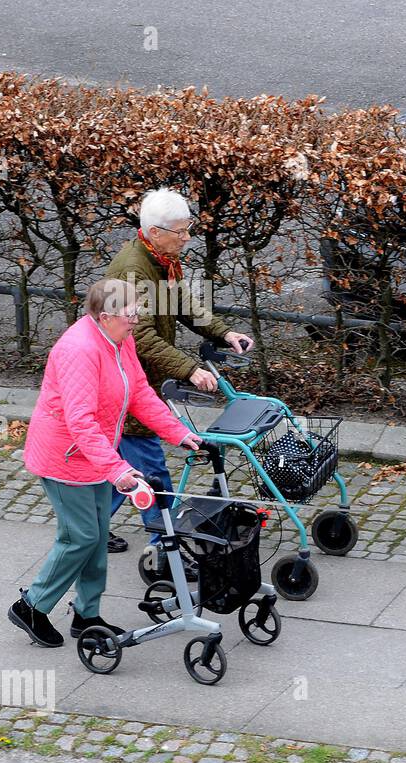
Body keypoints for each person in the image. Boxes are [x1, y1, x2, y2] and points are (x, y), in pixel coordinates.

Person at [9, 279, 202, 647]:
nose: (137, 319)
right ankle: (31, 605)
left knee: (96, 540)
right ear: (105, 315)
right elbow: (79, 420)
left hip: (95, 456)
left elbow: (140, 394)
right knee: (80, 538)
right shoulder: (79, 350)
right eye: (131, 313)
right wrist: (117, 469)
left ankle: (87, 615)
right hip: (65, 459)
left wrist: (178, 433)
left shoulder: (120, 339)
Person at [104, 188, 253, 557]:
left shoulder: (161, 259)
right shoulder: (133, 269)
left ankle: (89, 528)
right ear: (155, 232)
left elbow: (182, 302)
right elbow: (142, 337)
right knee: (151, 467)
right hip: (126, 385)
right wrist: (190, 370)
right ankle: (164, 547)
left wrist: (223, 332)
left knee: (126, 462)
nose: (187, 238)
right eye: (181, 231)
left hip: (137, 381)